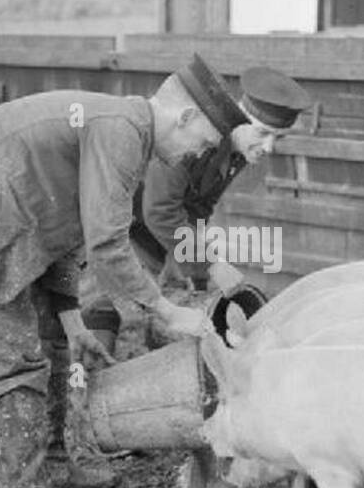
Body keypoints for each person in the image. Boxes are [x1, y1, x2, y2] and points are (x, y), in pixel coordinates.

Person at [0, 55, 308, 488]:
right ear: (184, 119)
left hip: (22, 214)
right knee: (13, 358)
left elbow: (67, 228)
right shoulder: (122, 131)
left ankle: (57, 463)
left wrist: (71, 318)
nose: (195, 155)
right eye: (201, 142)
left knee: (58, 340)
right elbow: (106, 242)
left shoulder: (127, 130)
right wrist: (164, 309)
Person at [81, 58, 312, 341]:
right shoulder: (198, 136)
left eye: (278, 138)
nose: (269, 147)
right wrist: (211, 263)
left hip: (153, 232)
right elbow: (160, 210)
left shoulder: (238, 151)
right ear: (240, 118)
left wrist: (198, 275)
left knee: (155, 305)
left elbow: (199, 208)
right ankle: (81, 375)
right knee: (103, 301)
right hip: (119, 219)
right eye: (263, 133)